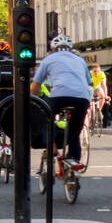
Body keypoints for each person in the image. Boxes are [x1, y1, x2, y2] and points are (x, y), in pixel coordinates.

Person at [31, 35, 92, 168]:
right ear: (70, 49)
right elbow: (89, 82)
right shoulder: (80, 60)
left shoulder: (48, 59)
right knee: (75, 130)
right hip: (82, 98)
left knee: (47, 117)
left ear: (53, 49)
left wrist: (30, 100)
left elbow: (36, 85)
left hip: (59, 96)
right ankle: (74, 160)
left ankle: (52, 146)